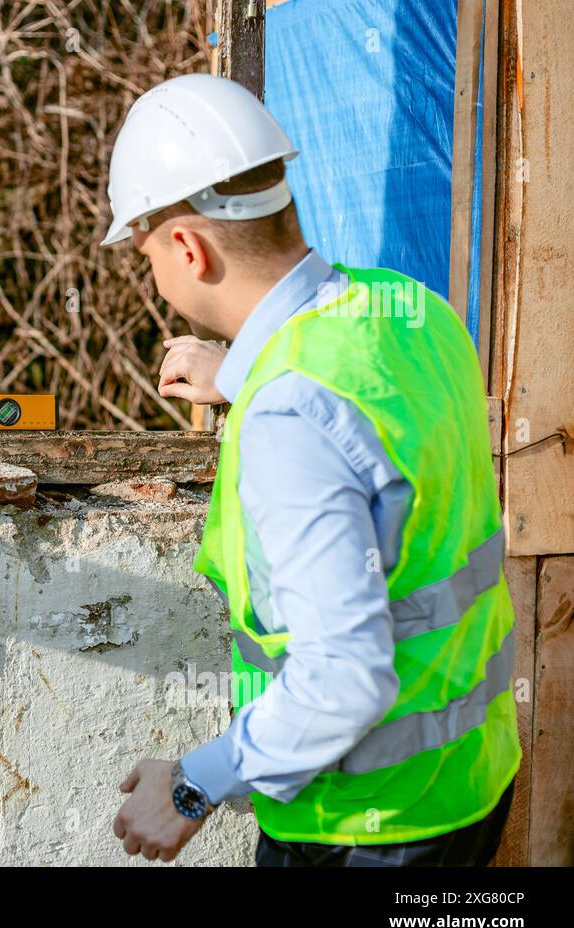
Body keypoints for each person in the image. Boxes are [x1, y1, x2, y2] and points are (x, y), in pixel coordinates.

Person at [104, 74, 520, 866]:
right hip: (472, 787)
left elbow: (344, 678)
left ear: (188, 247)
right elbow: (371, 431)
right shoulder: (415, 312)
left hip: (365, 831)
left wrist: (194, 785)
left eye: (145, 250)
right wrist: (242, 374)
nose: (151, 272)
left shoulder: (289, 416)